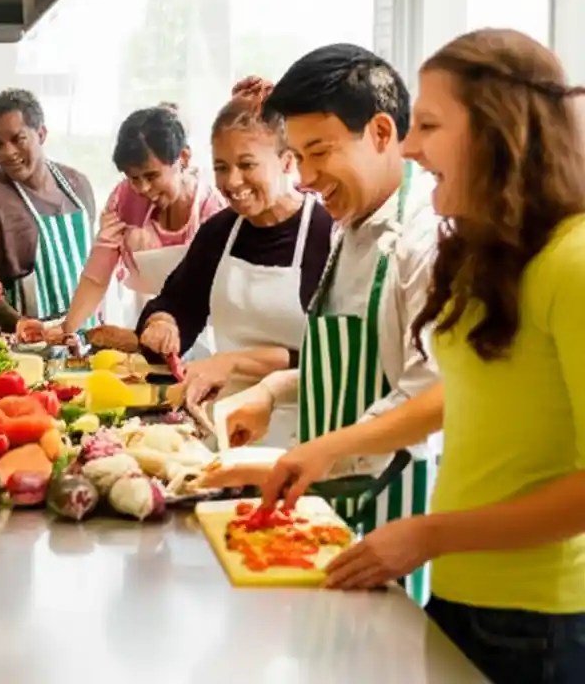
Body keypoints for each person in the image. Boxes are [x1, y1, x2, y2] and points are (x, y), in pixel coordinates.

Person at [251, 29, 585, 684]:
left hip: (540, 617)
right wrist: (324, 446)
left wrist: (430, 534)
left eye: (427, 124)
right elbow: (465, 397)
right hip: (464, 598)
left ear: (498, 129)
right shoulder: (492, 257)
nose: (408, 146)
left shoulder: (573, 263)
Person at [208, 44, 440, 602]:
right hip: (330, 514)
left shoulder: (423, 240)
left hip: (396, 519)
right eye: (297, 156)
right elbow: (363, 370)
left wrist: (320, 450)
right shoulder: (350, 228)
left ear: (382, 133)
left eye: (320, 153)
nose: (307, 177)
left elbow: (434, 394)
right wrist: (274, 391)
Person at [136, 77, 333, 448]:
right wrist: (162, 323)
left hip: (304, 440)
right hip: (224, 433)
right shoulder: (219, 232)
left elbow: (330, 361)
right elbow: (177, 303)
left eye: (246, 164)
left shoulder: (326, 236)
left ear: (287, 160)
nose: (232, 181)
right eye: (221, 167)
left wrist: (231, 363)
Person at [45, 104, 225, 341]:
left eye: (151, 176)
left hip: (205, 327)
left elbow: (217, 295)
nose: (143, 188)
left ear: (183, 157)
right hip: (149, 322)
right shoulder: (123, 200)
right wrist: (67, 328)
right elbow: (97, 275)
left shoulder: (212, 211)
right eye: (133, 178)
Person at [0, 88, 96, 329]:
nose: (7, 152)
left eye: (17, 139)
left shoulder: (78, 185)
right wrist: (27, 328)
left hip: (85, 340)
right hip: (23, 348)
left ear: (41, 134)